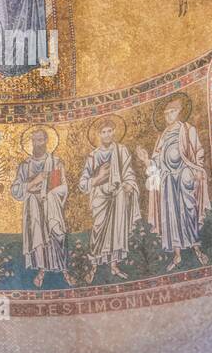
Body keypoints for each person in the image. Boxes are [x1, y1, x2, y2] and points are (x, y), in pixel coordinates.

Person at [136, 97, 210, 270]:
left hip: (185, 172)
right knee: (170, 214)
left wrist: (197, 168)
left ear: (179, 112)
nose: (169, 116)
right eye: (166, 113)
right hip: (168, 178)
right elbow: (156, 165)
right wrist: (145, 159)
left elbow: (198, 150)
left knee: (188, 208)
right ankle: (177, 255)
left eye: (172, 112)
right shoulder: (161, 137)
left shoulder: (187, 129)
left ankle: (196, 247)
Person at [79, 118, 141, 282]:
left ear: (114, 132)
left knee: (117, 230)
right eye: (103, 132)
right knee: (99, 229)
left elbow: (128, 172)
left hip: (118, 195)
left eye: (109, 131)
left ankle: (114, 266)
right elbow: (83, 183)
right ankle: (94, 266)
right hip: (100, 197)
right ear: (98, 134)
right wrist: (97, 179)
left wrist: (128, 184)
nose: (107, 135)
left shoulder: (122, 151)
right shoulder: (93, 156)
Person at [10, 127, 73, 287]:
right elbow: (16, 190)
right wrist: (35, 182)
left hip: (51, 205)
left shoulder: (56, 162)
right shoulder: (25, 165)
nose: (36, 143)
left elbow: (64, 187)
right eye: (34, 140)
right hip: (33, 207)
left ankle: (64, 270)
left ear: (46, 141)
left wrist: (50, 193)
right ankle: (42, 270)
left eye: (40, 140)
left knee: (57, 235)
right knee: (38, 238)